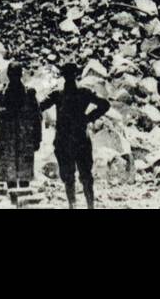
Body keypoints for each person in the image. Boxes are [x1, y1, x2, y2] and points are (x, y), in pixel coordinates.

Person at [41, 62, 110, 209]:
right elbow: (105, 104)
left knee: (69, 177)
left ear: (63, 76)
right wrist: (88, 118)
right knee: (85, 176)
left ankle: (72, 205)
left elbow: (40, 106)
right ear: (76, 75)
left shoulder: (57, 94)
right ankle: (90, 205)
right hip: (80, 139)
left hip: (64, 140)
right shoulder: (84, 92)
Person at [0, 62, 42, 191]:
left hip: (25, 141)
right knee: (10, 177)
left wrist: (37, 139)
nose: (15, 78)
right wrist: (1, 113)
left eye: (17, 74)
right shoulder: (1, 94)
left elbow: (37, 118)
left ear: (21, 74)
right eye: (12, 75)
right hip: (8, 141)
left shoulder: (29, 94)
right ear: (8, 75)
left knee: (25, 178)